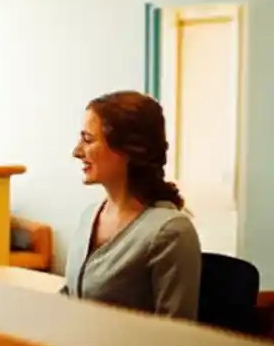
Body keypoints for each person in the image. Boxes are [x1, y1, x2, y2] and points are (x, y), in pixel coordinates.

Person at [61, 90, 202, 319]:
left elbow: (175, 339)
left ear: (126, 149)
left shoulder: (171, 232)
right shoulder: (89, 217)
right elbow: (72, 298)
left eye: (88, 140)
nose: (77, 152)